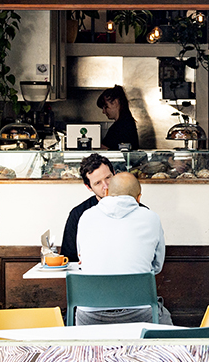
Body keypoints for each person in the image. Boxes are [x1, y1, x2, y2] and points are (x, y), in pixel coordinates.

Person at [74, 171, 173, 325]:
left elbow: (82, 260)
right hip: (139, 312)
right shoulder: (151, 218)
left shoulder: (86, 216)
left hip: (90, 315)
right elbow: (156, 267)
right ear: (139, 198)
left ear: (106, 192)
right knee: (165, 318)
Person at [60, 153, 114, 262]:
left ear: (115, 175)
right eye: (98, 183)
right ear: (88, 187)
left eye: (108, 178)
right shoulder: (78, 214)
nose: (106, 186)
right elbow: (69, 257)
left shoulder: (138, 210)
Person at [97, 85, 141, 150]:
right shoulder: (125, 122)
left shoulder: (122, 126)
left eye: (106, 106)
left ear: (115, 102)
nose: (103, 111)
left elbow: (104, 148)